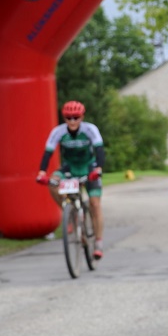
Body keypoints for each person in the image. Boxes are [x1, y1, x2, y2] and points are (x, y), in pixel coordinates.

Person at [36, 101, 106, 259]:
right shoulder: (58, 131)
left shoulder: (90, 129)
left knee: (95, 204)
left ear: (82, 117)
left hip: (89, 167)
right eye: (69, 118)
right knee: (53, 182)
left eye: (76, 117)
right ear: (64, 119)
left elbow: (100, 150)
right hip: (69, 169)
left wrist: (98, 169)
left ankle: (99, 242)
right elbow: (48, 152)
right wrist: (41, 172)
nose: (73, 121)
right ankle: (69, 211)